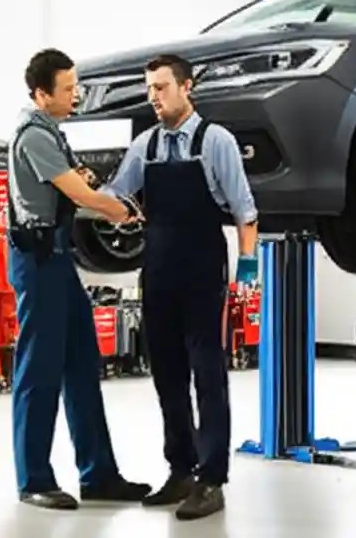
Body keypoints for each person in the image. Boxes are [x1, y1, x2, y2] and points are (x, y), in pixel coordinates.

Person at [101, 53, 259, 521]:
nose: (154, 96)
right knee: (167, 375)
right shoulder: (145, 146)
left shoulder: (216, 142)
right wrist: (80, 193)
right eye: (150, 88)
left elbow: (244, 210)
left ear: (186, 87)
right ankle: (180, 471)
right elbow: (114, 196)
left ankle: (212, 479)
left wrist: (247, 267)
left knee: (207, 375)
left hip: (202, 273)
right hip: (158, 274)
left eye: (162, 87)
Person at [6, 48, 152, 510]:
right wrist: (124, 211)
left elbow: (74, 183)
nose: (77, 95)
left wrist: (94, 189)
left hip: (58, 261)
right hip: (39, 261)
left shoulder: (53, 133)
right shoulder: (33, 135)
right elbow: (80, 194)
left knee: (82, 365)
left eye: (76, 86)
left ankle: (99, 475)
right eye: (68, 89)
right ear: (40, 93)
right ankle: (33, 479)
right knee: (39, 372)